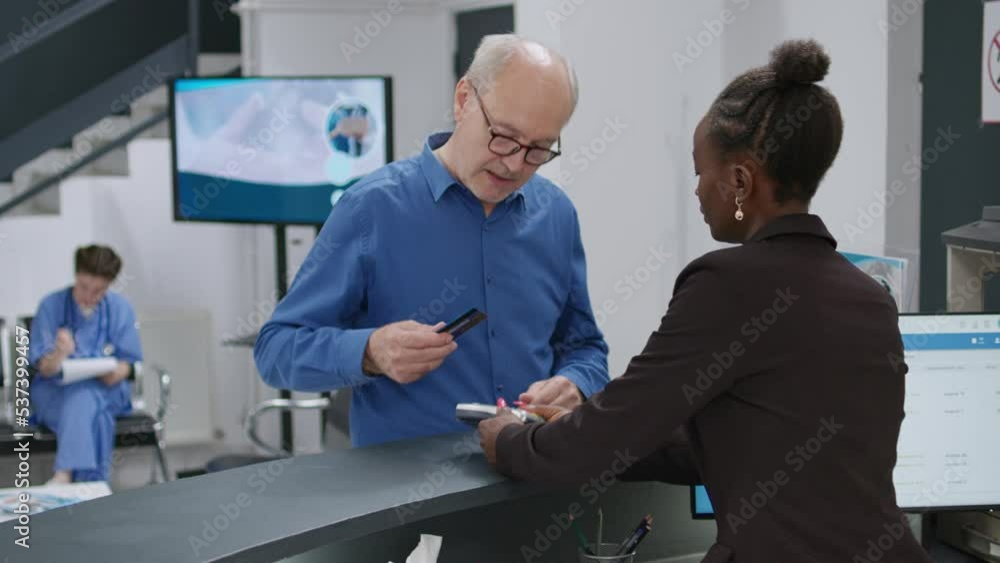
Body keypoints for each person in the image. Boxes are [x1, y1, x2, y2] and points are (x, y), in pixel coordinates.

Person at [479, 40, 933, 563]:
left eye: (700, 172)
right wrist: (574, 427)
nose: (697, 191)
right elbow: (740, 443)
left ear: (739, 180)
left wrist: (509, 441)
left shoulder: (728, 284)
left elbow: (618, 426)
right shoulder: (870, 297)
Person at [254, 34, 610, 447]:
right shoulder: (370, 209)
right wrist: (369, 352)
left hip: (532, 471)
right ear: (463, 100)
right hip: (405, 485)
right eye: (503, 136)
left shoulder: (556, 214)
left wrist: (576, 382)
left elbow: (585, 347)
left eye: (539, 149)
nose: (515, 164)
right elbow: (276, 351)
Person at [29, 245, 143, 484]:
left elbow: (130, 363)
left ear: (110, 285)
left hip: (108, 389)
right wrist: (60, 354)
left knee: (85, 396)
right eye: (83, 287)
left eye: (99, 290)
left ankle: (65, 476)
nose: (89, 296)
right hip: (55, 393)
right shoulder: (51, 306)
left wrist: (117, 372)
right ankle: (92, 489)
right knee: (96, 414)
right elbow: (44, 368)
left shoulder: (121, 309)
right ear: (76, 275)